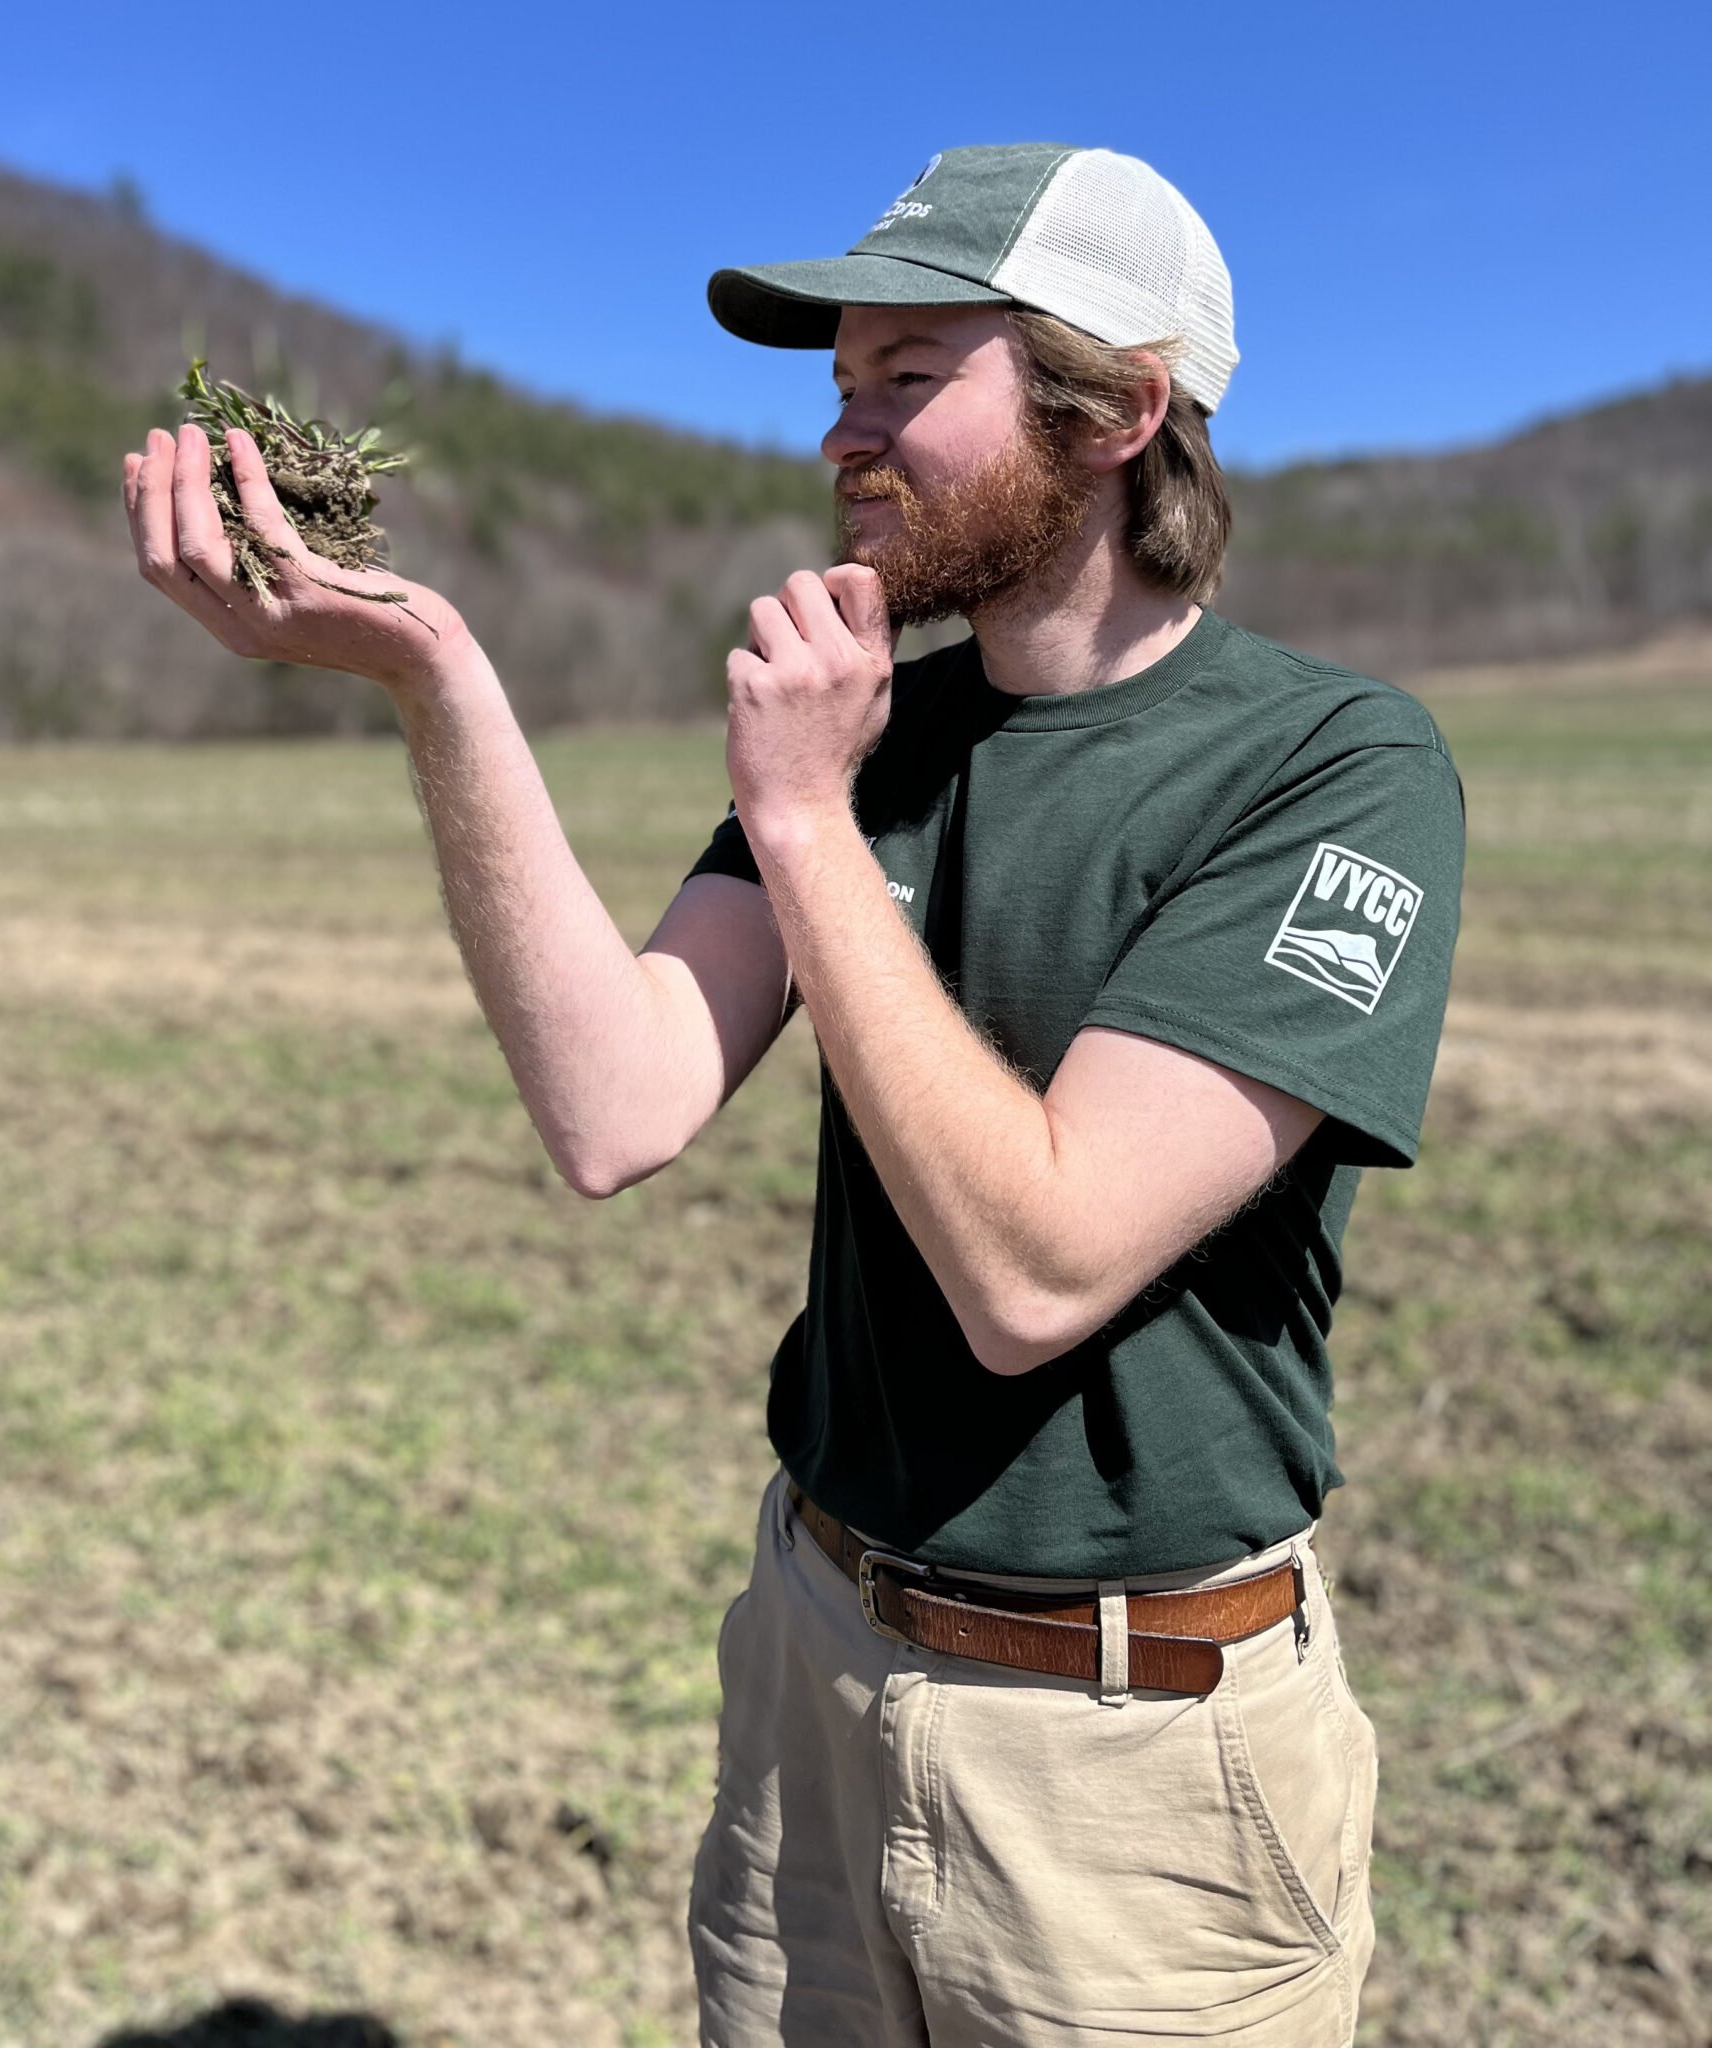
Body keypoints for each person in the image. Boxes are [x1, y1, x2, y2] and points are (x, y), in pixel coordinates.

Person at [124, 142, 1463, 2048]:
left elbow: (1040, 1264)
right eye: (838, 382)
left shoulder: (1327, 765)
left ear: (1118, 412)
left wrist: (807, 817)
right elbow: (614, 1104)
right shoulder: (869, 737)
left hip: (1133, 1767)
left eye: (909, 375)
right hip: (813, 1677)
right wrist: (430, 672)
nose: (847, 432)